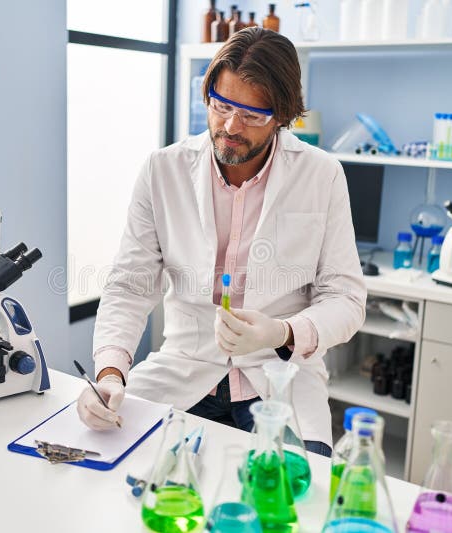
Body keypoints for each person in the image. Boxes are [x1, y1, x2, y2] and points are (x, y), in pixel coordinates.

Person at [76, 27, 366, 456]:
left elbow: (345, 297)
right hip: (183, 370)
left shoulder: (321, 175)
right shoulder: (163, 170)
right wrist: (110, 375)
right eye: (221, 105)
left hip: (279, 379)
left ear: (283, 116)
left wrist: (284, 332)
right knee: (111, 466)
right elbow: (129, 287)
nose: (230, 126)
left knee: (288, 506)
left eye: (251, 116)